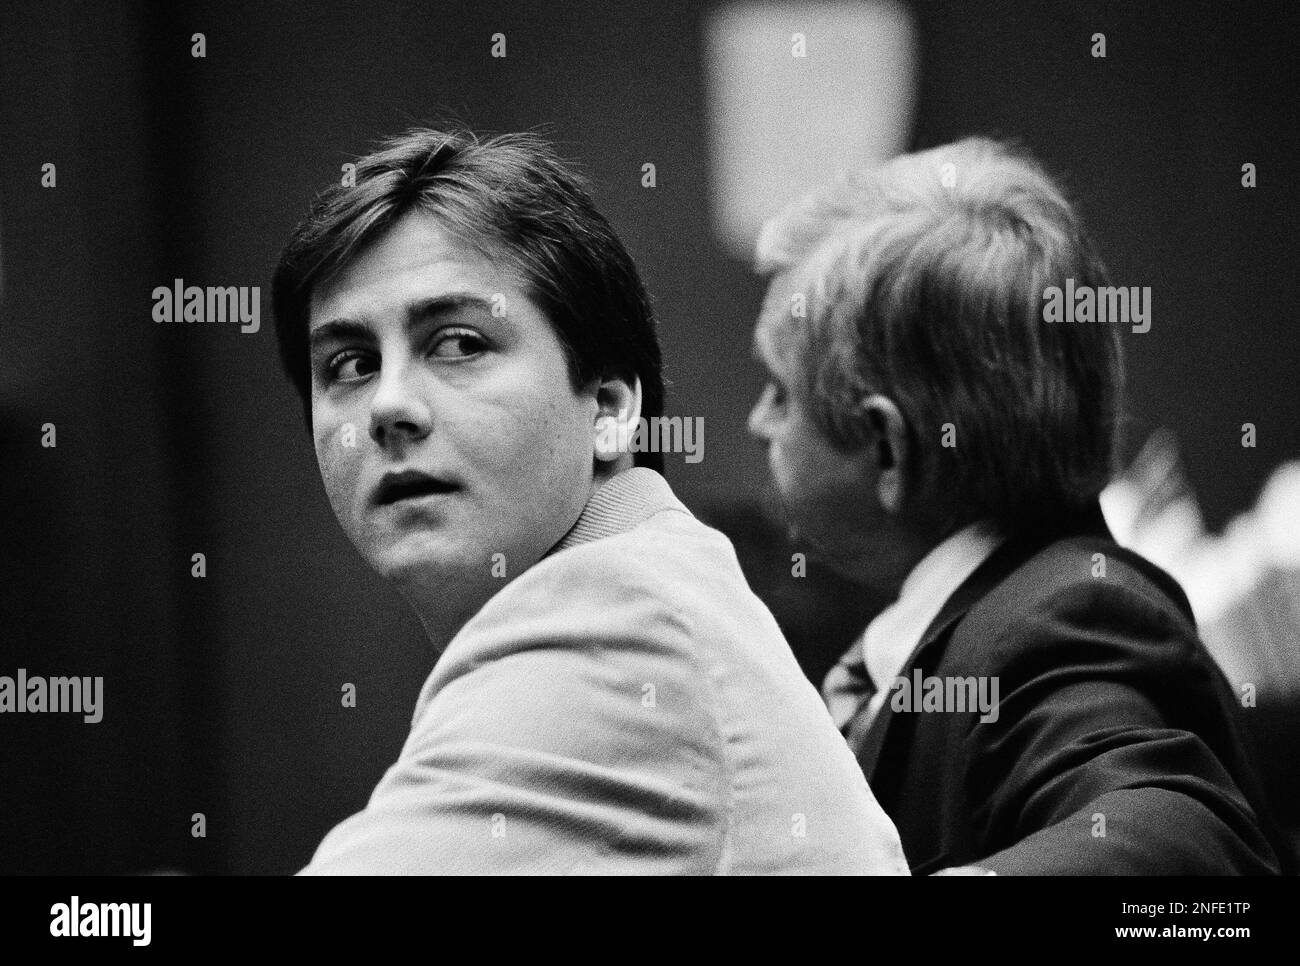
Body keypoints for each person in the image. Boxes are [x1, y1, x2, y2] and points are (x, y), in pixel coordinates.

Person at [273, 127, 909, 875]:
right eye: (349, 364)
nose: (389, 405)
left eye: (458, 343)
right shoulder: (648, 584)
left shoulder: (614, 618)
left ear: (608, 407)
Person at [746, 136, 1290, 874]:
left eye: (781, 391)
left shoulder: (1066, 623)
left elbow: (1182, 849)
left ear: (887, 448)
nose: (759, 421)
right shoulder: (973, 619)